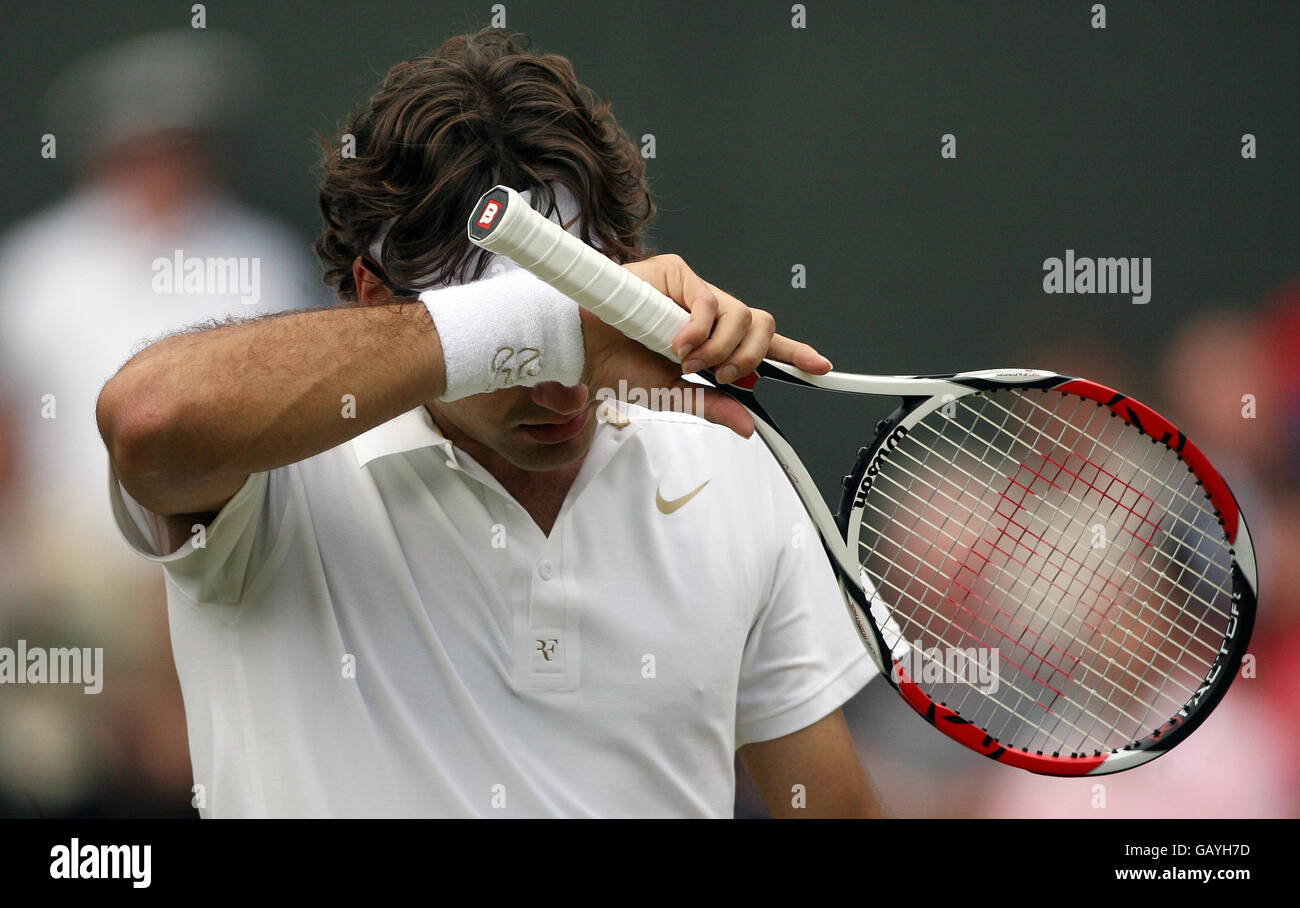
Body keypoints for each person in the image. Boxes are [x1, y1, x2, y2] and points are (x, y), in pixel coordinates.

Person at [95, 28, 884, 818]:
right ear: (375, 297)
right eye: (516, 349)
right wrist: (553, 321)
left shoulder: (728, 459)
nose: (559, 389)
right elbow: (150, 416)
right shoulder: (271, 472)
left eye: (595, 317)